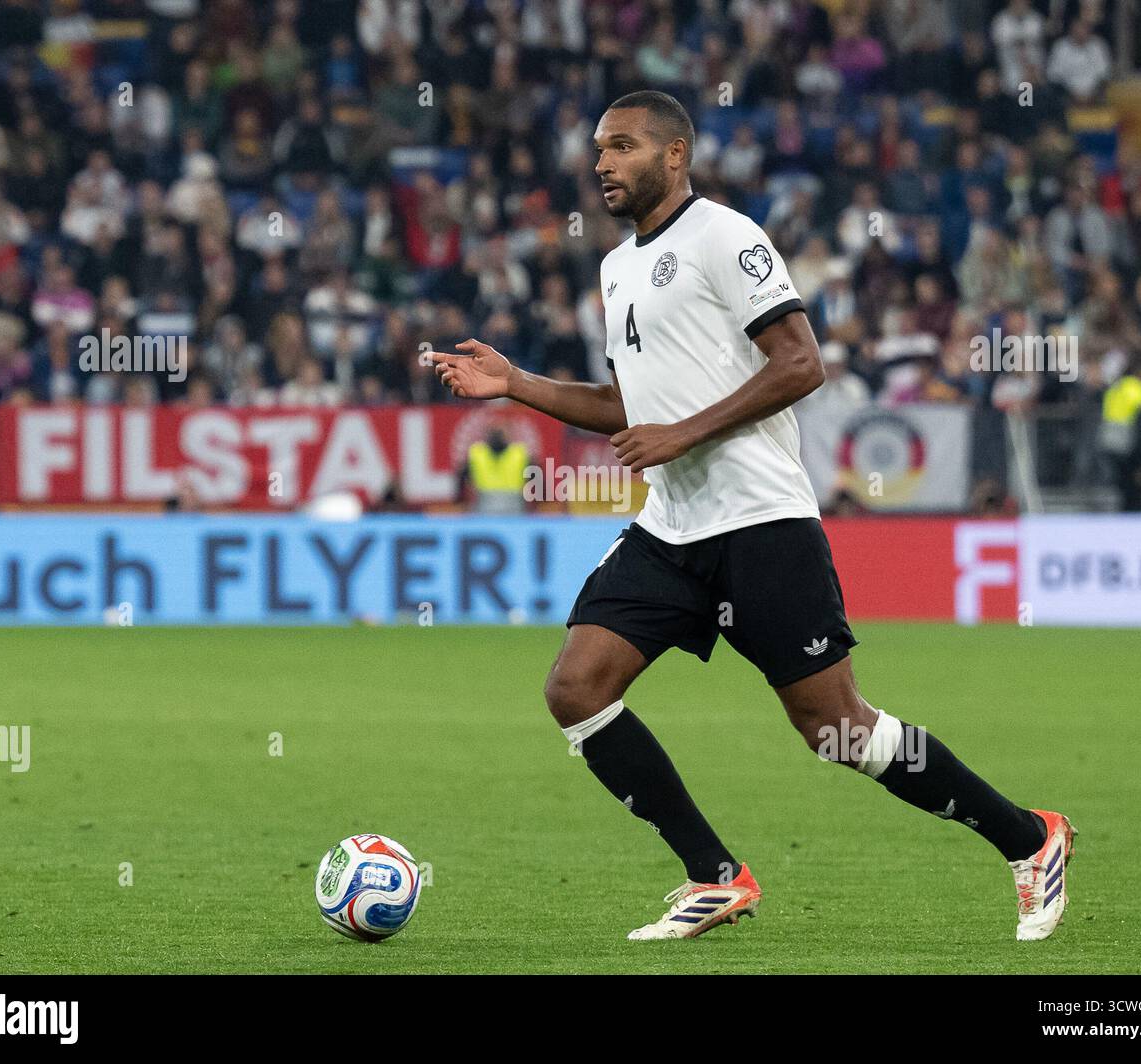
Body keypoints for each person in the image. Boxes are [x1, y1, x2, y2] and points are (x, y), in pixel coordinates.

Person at [431, 91, 1074, 943]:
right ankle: (714, 876)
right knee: (576, 687)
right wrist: (517, 384)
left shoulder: (726, 237)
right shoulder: (617, 267)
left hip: (761, 521)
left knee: (837, 730)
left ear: (673, 155)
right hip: (672, 528)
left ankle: (1029, 840)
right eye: (596, 149)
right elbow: (625, 404)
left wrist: (682, 434)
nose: (600, 164)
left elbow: (801, 361)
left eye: (621, 147)